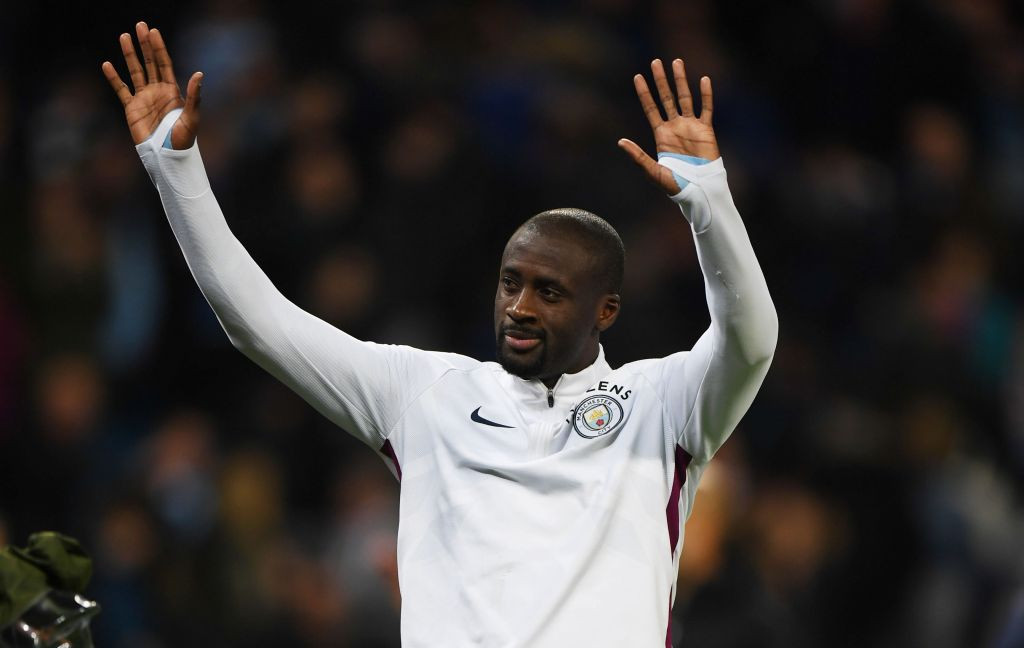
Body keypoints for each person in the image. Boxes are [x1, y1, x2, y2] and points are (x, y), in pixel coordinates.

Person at [102, 21, 778, 647]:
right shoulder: (425, 394)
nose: (518, 306)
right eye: (511, 282)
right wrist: (176, 172)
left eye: (549, 292)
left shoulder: (661, 405)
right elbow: (259, 324)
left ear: (606, 311)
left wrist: (706, 200)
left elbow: (749, 340)